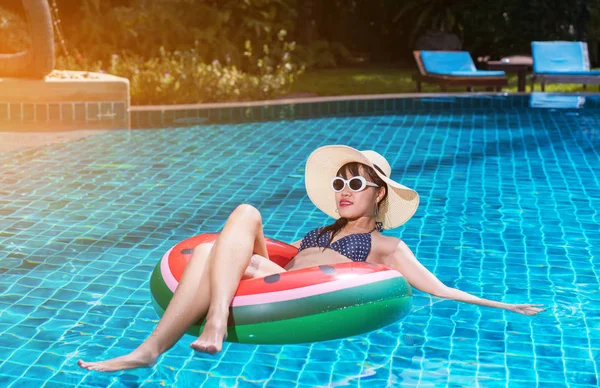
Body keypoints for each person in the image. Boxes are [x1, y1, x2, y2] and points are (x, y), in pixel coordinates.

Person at [78, 145, 544, 372]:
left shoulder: (386, 247)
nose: (343, 190)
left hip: (296, 293)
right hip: (272, 275)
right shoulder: (323, 230)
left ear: (378, 193)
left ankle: (151, 350)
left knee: (206, 251)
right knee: (244, 213)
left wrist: (506, 307)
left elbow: (439, 289)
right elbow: (279, 265)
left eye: (355, 184)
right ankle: (208, 321)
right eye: (339, 183)